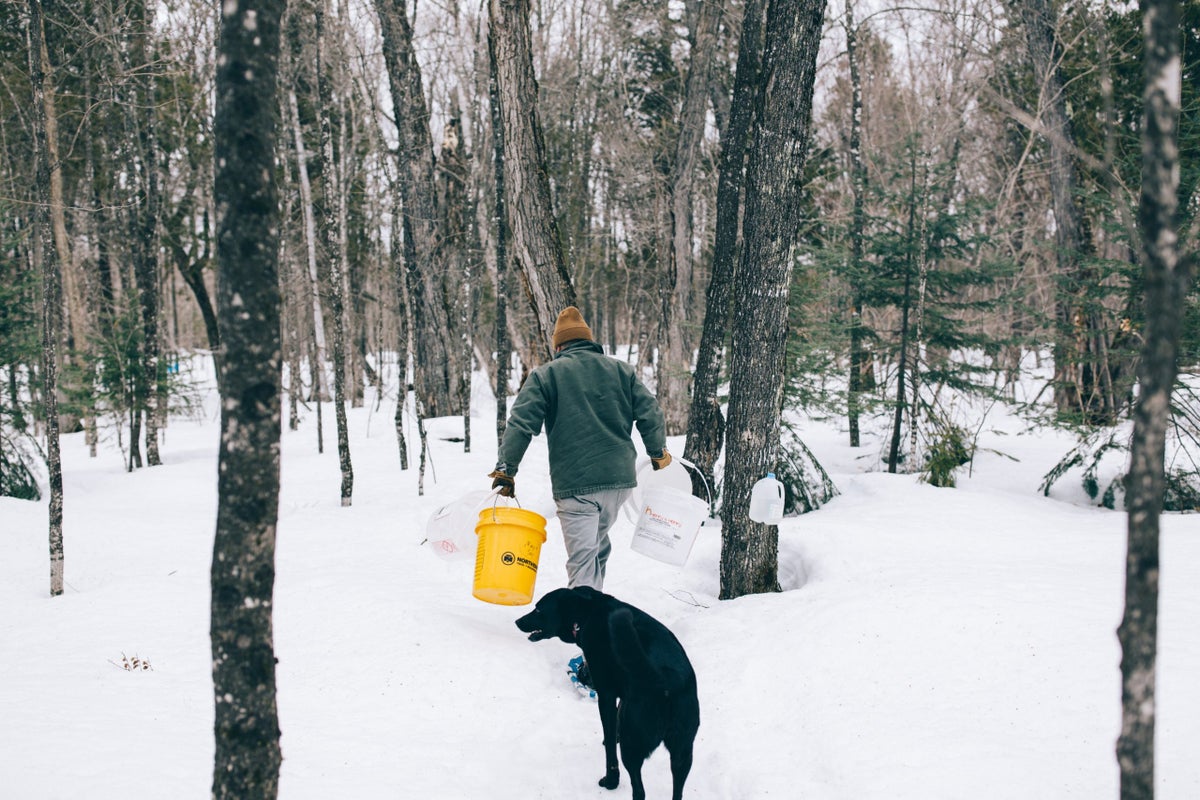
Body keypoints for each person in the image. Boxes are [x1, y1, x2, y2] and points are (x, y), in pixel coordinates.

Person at [489, 306, 671, 591]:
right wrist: (657, 452)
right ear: (588, 340)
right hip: (618, 483)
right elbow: (651, 412)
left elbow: (521, 423)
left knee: (583, 560)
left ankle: (585, 626)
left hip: (577, 485)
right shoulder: (622, 371)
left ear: (559, 345)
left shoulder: (546, 375)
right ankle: (595, 609)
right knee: (597, 546)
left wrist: (506, 469)